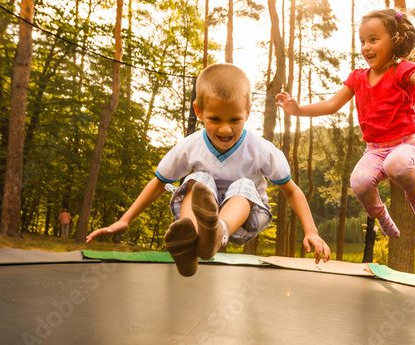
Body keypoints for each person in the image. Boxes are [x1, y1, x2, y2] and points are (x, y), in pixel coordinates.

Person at [86, 63, 330, 277]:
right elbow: (158, 183)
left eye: (234, 120)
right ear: (199, 111)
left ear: (247, 111)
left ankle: (217, 233)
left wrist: (311, 232)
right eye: (215, 119)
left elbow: (292, 191)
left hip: (246, 218)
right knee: (198, 180)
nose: (225, 130)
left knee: (243, 185)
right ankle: (191, 241)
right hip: (201, 214)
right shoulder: (190, 146)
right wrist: (124, 220)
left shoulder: (260, 149)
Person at [275, 9, 415, 238]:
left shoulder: (402, 71)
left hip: (404, 145)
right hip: (374, 150)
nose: (366, 47)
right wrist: (297, 110)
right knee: (359, 183)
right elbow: (331, 105)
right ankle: (381, 215)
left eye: (374, 40)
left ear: (395, 40)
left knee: (396, 166)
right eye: (362, 41)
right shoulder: (358, 78)